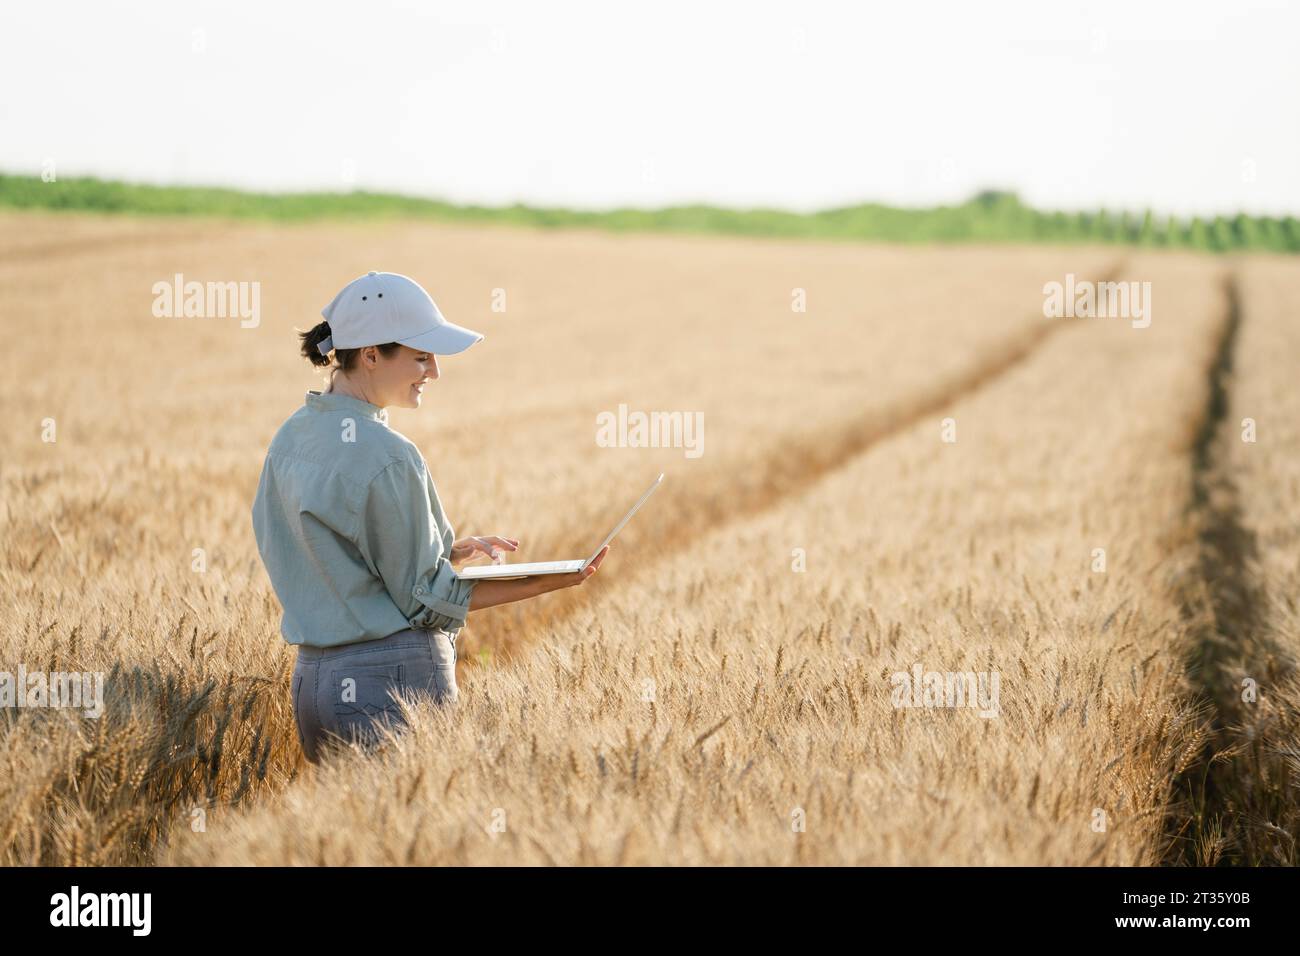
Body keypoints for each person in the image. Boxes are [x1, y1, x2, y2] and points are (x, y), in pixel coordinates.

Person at [251, 270, 609, 763]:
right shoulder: (389, 455)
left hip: (316, 685)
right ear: (371, 354)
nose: (434, 372)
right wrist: (556, 580)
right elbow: (430, 603)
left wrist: (443, 551)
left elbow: (326, 554)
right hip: (390, 685)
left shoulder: (290, 439)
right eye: (421, 356)